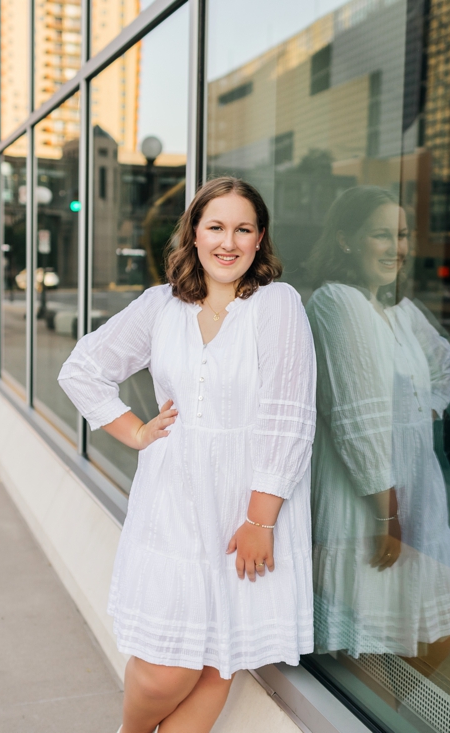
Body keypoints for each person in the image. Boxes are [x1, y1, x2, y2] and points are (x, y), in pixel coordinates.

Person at [58, 177, 317, 733]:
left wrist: (260, 519)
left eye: (242, 229)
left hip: (244, 512)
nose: (229, 242)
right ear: (194, 235)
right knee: (164, 674)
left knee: (214, 663)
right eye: (216, 227)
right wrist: (132, 432)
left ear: (259, 237)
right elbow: (83, 368)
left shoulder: (277, 305)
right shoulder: (160, 306)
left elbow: (288, 417)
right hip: (171, 506)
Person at [302, 186, 450, 682]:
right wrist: (387, 512)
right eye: (381, 234)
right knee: (369, 660)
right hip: (368, 501)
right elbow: (356, 418)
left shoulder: (399, 309)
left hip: (414, 493)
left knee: (432, 636)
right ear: (346, 240)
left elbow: (447, 363)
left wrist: (423, 412)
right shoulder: (338, 302)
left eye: (401, 234)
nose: (397, 246)